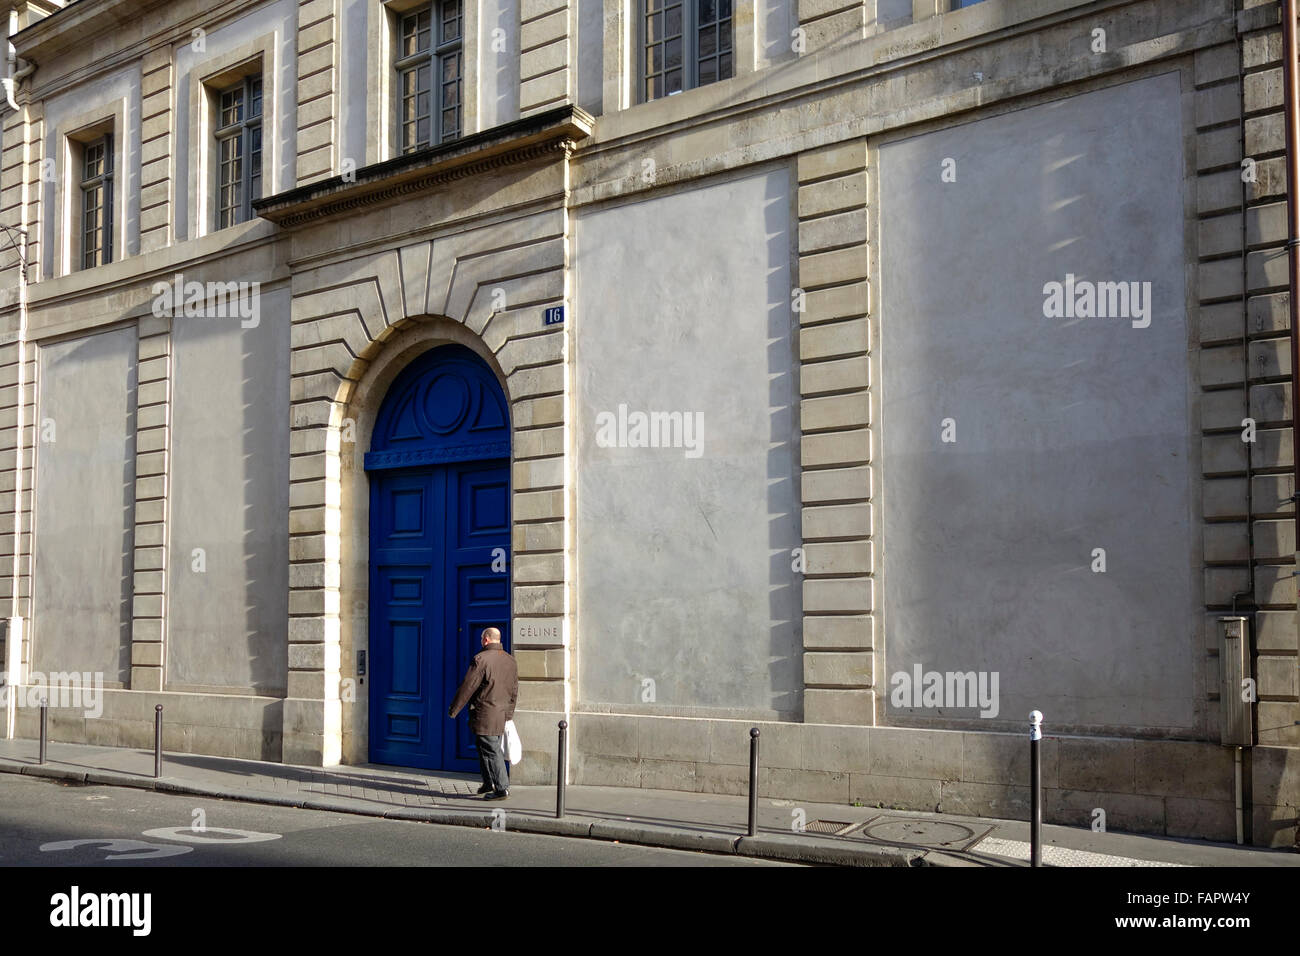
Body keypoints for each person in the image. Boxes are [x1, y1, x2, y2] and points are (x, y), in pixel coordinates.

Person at [447, 626, 518, 800]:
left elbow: (468, 687)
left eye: (481, 639)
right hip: (501, 713)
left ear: (485, 640)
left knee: (492, 749)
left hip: (486, 713)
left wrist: (454, 709)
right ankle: (488, 783)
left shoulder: (481, 659)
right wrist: (509, 713)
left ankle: (502, 788)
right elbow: (514, 690)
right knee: (483, 747)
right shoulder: (510, 660)